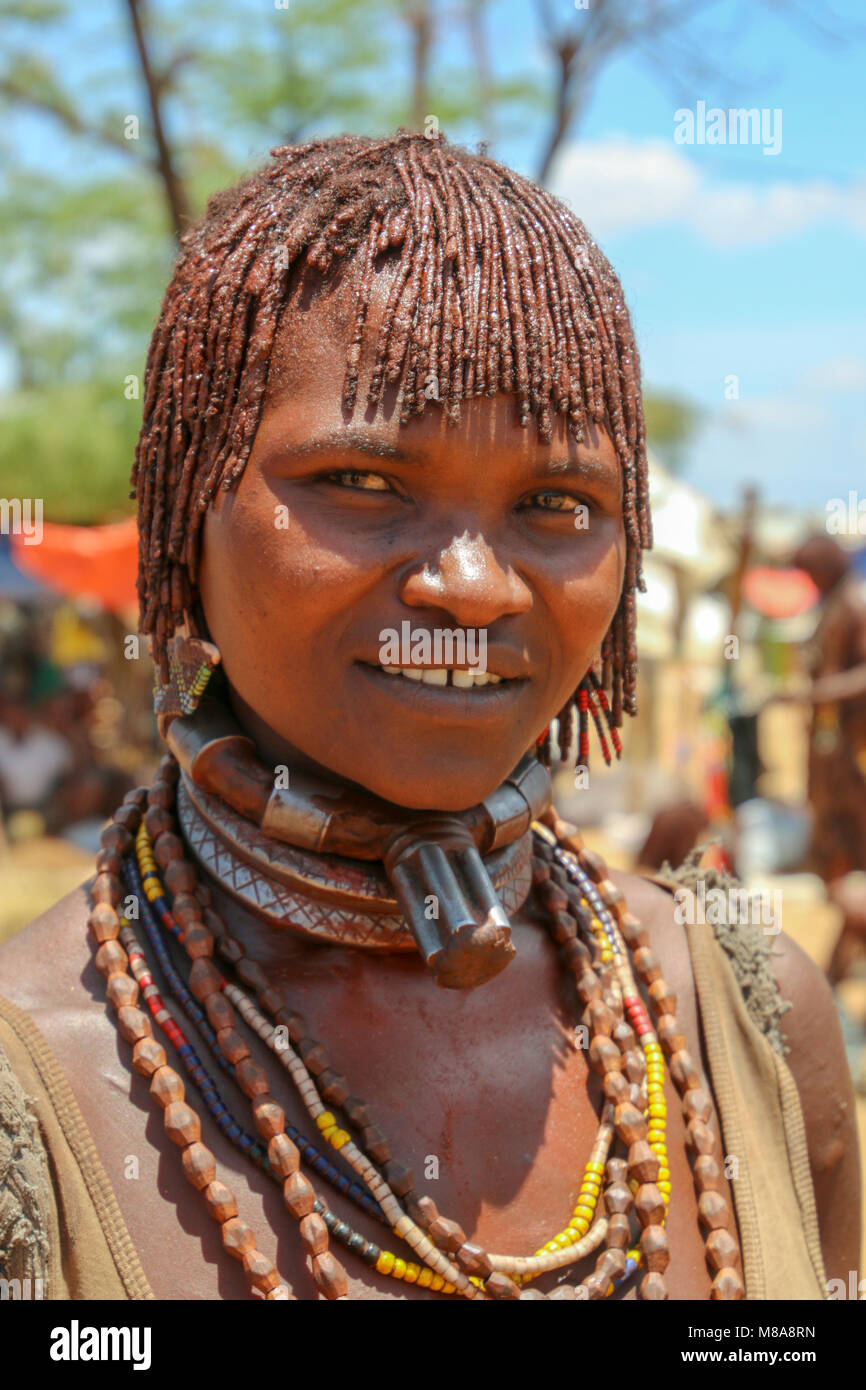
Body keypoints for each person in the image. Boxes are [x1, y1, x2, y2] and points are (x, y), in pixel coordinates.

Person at [0, 133, 858, 1302]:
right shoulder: (34, 1082)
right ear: (185, 507)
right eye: (361, 483)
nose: (474, 585)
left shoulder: (742, 1016)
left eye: (556, 502)